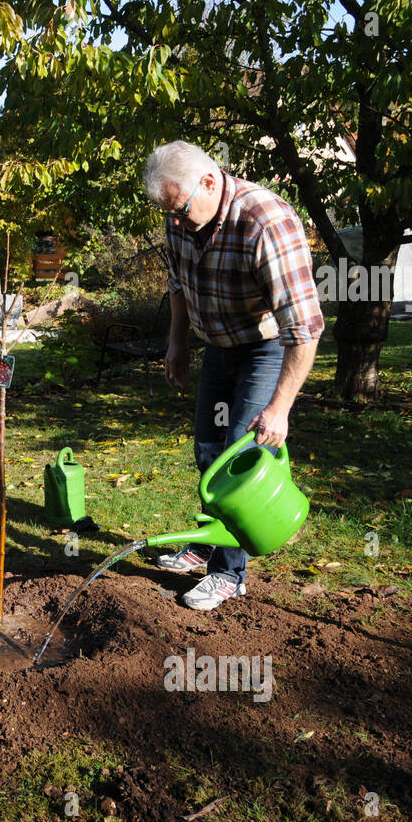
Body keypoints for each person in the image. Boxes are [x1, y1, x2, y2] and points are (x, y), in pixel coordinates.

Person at [142, 140, 323, 610]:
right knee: (208, 454)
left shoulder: (266, 221)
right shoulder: (180, 214)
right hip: (216, 347)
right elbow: (178, 284)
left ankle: (229, 574)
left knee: (238, 464)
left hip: (263, 350)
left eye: (179, 211)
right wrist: (177, 343)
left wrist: (280, 408)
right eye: (169, 214)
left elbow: (304, 328)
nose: (175, 222)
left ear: (208, 181)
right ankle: (207, 539)